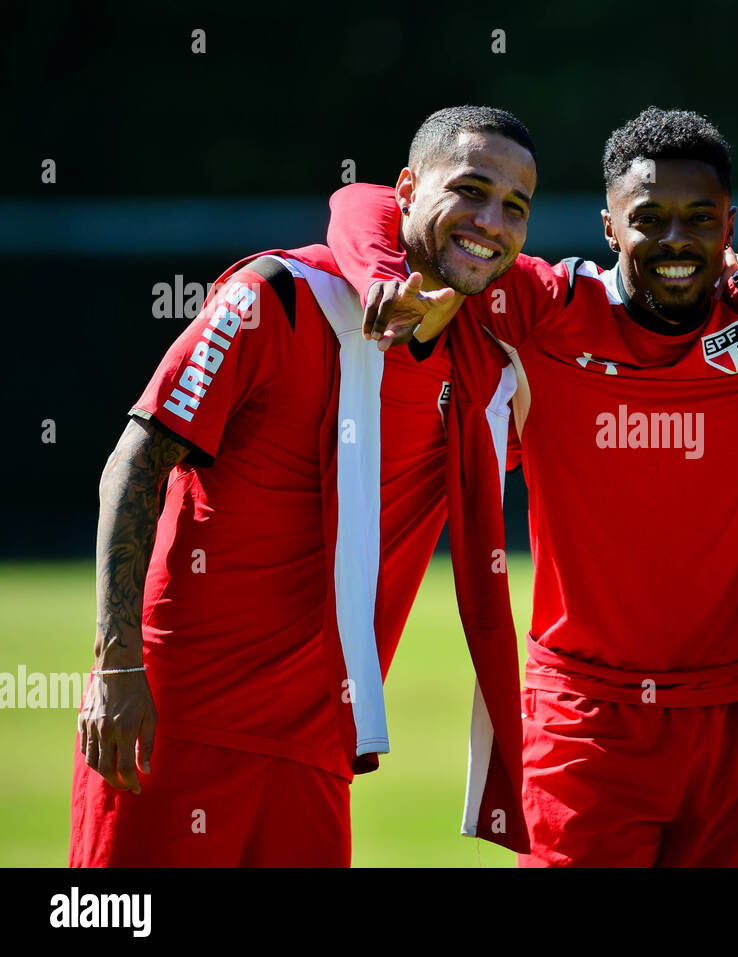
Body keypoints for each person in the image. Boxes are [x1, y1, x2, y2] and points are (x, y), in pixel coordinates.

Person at [327, 106, 738, 866]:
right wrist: (383, 278)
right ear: (610, 227)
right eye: (648, 218)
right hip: (584, 722)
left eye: (700, 218)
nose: (676, 241)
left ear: (731, 225)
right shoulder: (541, 307)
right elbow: (366, 203)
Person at [70, 106, 536, 866]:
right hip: (172, 721)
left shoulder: (488, 360)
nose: (491, 220)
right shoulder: (278, 293)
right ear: (408, 191)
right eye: (472, 190)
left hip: (321, 748)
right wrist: (116, 663)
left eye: (515, 206)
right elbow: (136, 459)